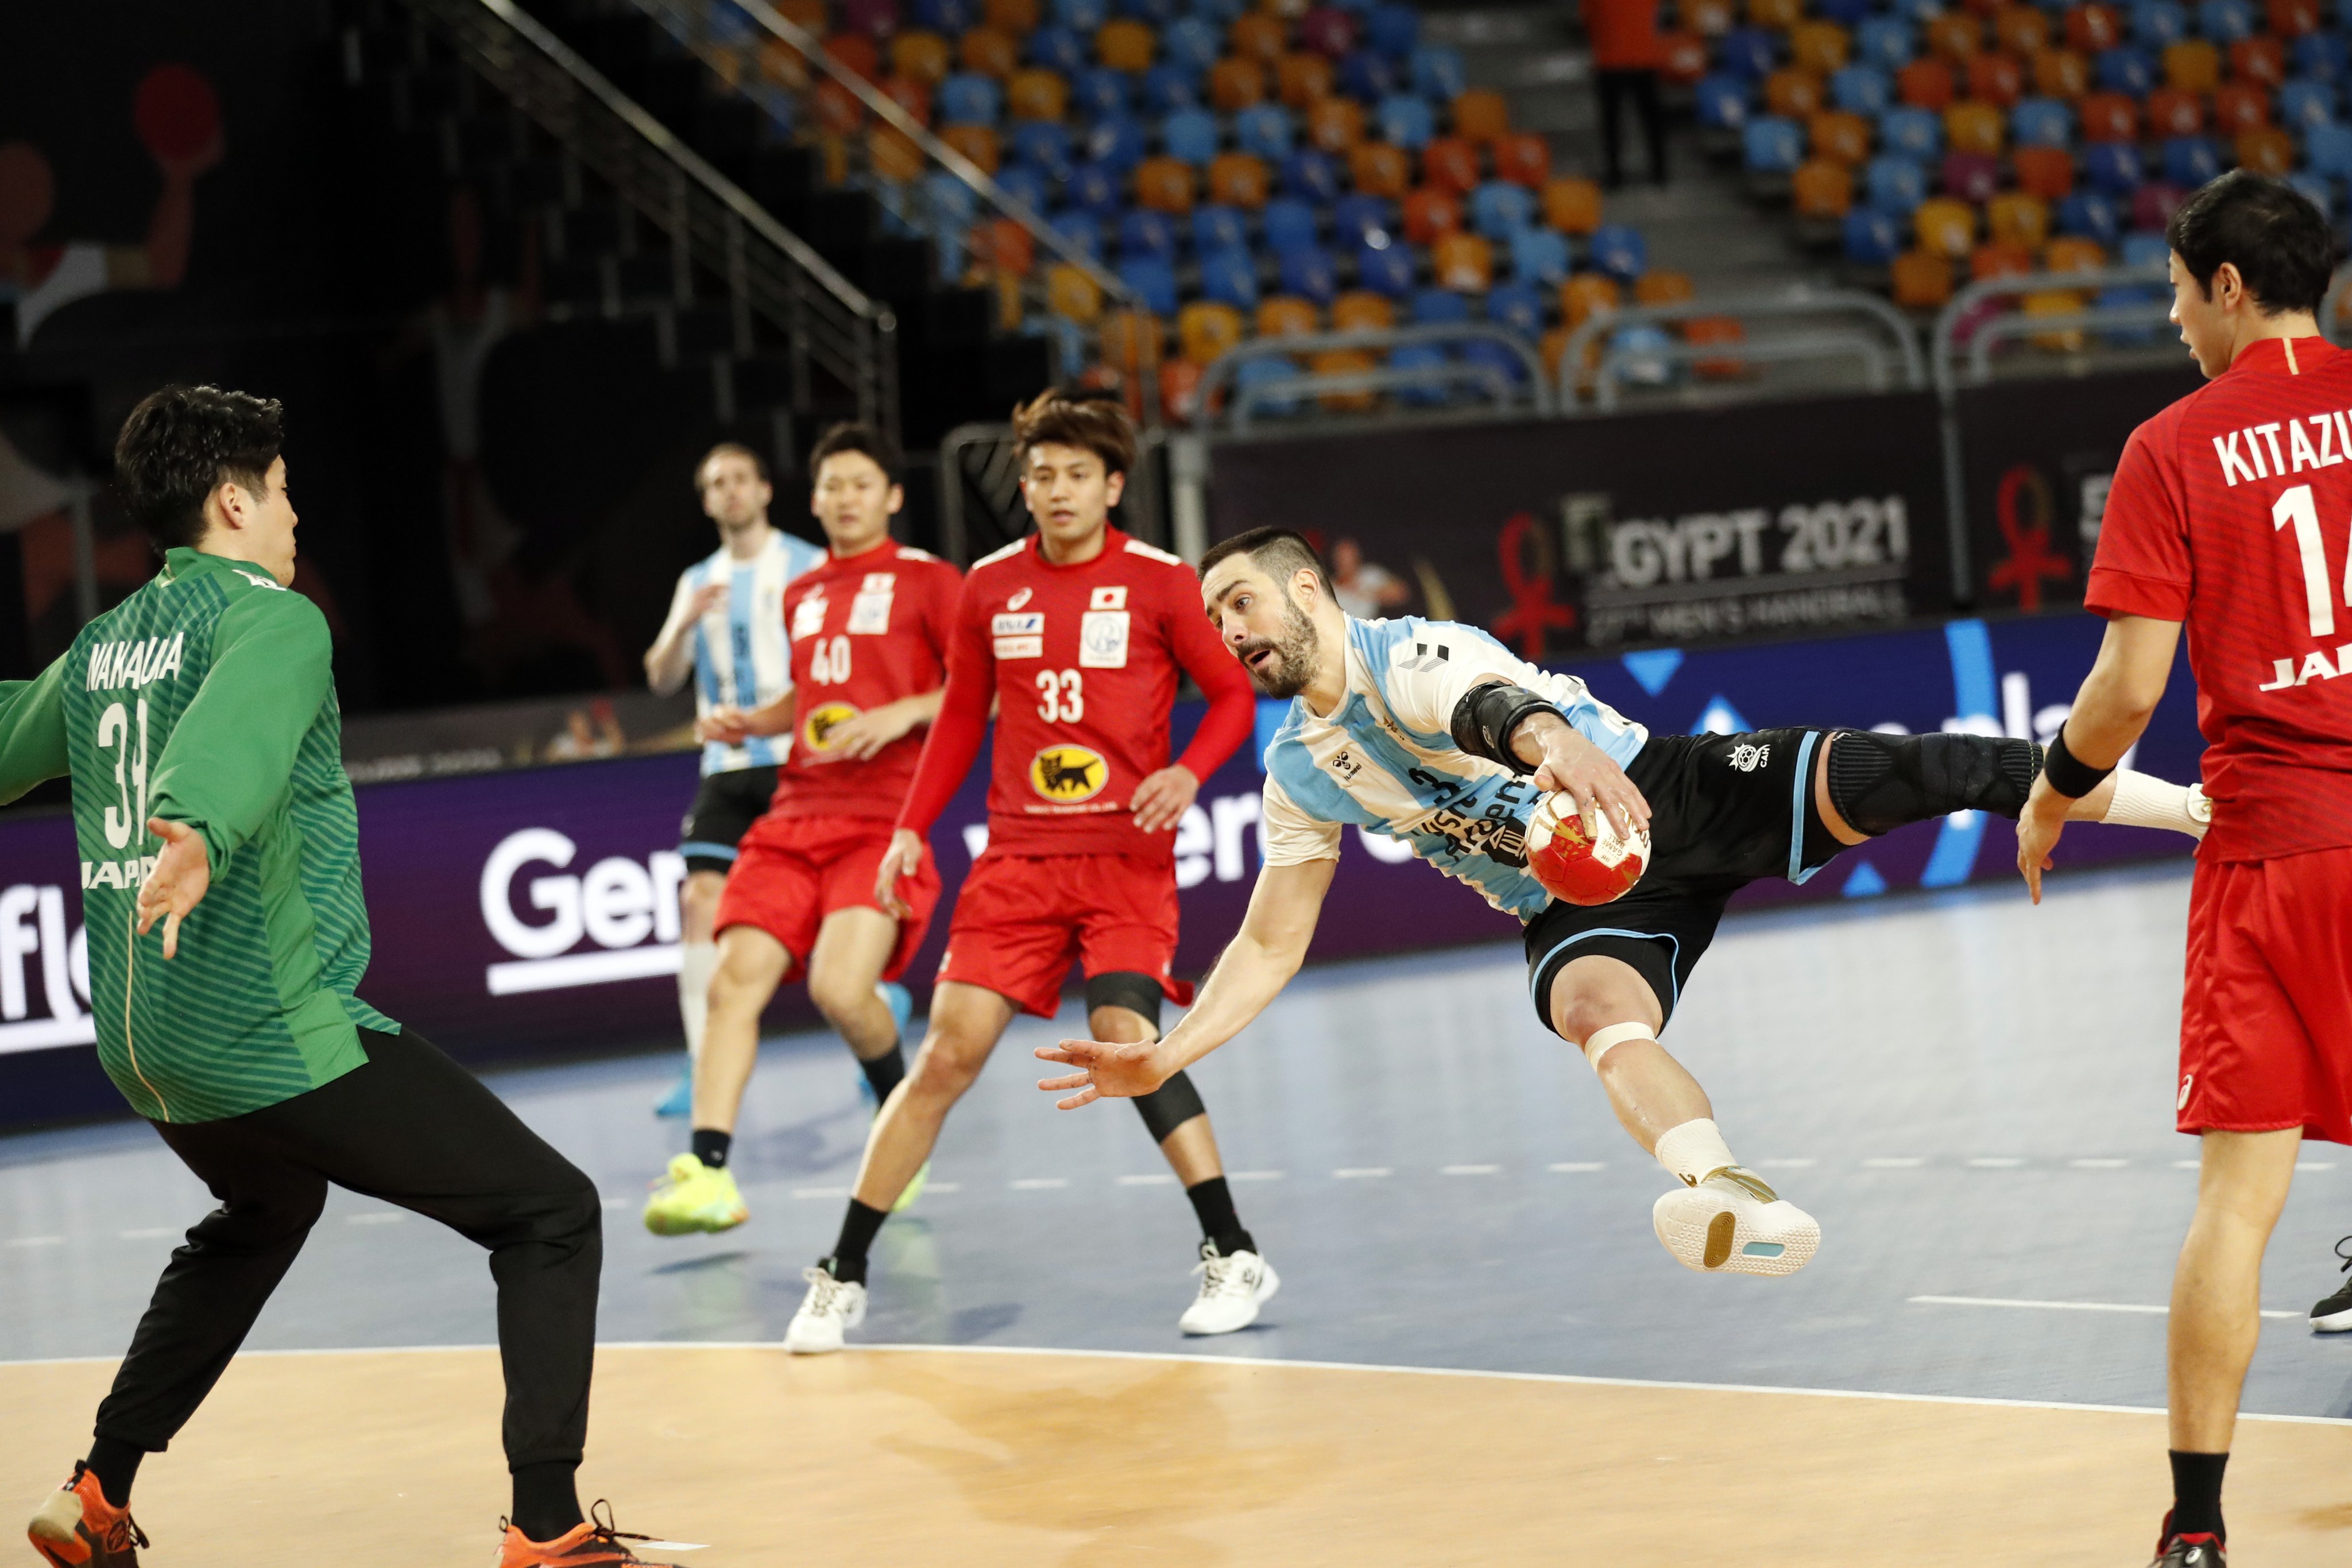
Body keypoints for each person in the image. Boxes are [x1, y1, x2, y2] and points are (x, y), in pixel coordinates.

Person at [1036, 528, 2207, 1284]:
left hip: (1664, 794)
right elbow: (1271, 939)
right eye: (1217, 620)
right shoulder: (1299, 767)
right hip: (1567, 892)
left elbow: (1497, 711)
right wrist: (1171, 1049)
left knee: (1922, 772)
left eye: (1240, 603)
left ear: (1305, 590)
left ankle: (2202, 814)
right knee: (1599, 1018)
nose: (1228, 633)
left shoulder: (1413, 651)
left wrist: (1559, 749)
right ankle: (1725, 1192)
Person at [0, 385, 668, 1567]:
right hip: (261, 1027)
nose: (296, 514)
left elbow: (9, 739)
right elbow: (239, 731)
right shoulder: (275, 616)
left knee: (263, 1211)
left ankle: (98, 1490)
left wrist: (189, 817)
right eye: (285, 488)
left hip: (142, 1045)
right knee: (550, 1212)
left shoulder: (108, 642)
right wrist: (197, 822)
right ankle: (547, 1520)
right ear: (233, 497)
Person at [780, 390, 1270, 1353]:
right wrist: (911, 829)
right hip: (1015, 860)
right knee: (945, 1056)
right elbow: (962, 717)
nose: (1054, 491)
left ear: (1113, 485)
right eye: (1040, 473)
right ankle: (840, 1274)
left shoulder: (1165, 583)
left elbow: (1229, 695)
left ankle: (1233, 1251)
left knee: (1127, 1036)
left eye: (1076, 475)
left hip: (1123, 858)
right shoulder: (989, 586)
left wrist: (1187, 769)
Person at [2014, 171, 2350, 1568]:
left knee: (2235, 1202)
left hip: (2272, 848)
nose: (2169, 320)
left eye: (2171, 290)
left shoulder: (2174, 447)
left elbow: (2122, 689)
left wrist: (2058, 793)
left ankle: (2199, 1527)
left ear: (2225, 286)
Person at [642, 424, 958, 1235]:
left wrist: (901, 713)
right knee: (731, 978)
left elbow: (979, 691)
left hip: (882, 817)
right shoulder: (804, 591)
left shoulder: (930, 580)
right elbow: (813, 696)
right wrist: (757, 717)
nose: (845, 498)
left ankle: (901, 1115)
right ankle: (707, 1170)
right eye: (832, 486)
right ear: (813, 500)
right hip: (796, 809)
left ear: (891, 495)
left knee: (840, 991)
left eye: (862, 484)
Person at [641, 444, 827, 1117]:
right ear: (707, 500)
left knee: (825, 909)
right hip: (726, 770)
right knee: (700, 900)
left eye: (739, 479)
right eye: (715, 483)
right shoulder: (698, 581)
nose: (729, 491)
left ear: (764, 490)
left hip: (797, 760)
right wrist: (685, 621)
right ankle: (699, 1062)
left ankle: (877, 1022)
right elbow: (661, 676)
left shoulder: (808, 564)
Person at [1584, 0, 1667, 189]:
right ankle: (1660, 171)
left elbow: (1588, 19)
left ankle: (1615, 175)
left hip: (1611, 60)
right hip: (1642, 57)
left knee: (1612, 123)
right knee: (1652, 119)